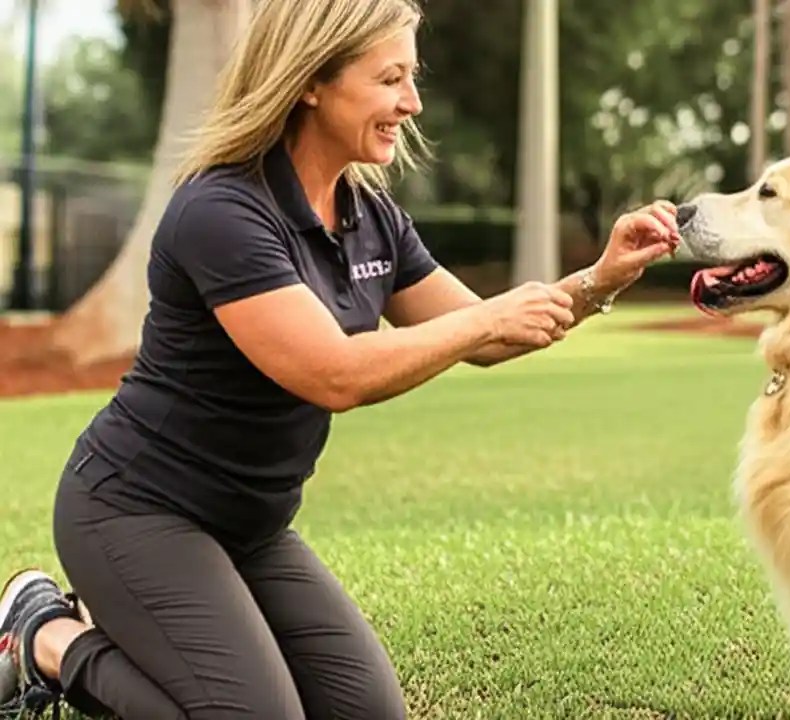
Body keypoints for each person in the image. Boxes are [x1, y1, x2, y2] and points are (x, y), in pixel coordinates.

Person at [0, 0, 680, 718]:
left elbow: (490, 337)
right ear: (311, 81)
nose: (411, 103)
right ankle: (47, 637)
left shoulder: (371, 216)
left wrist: (601, 278)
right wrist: (485, 314)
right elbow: (335, 374)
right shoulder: (222, 213)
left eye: (410, 78)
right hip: (133, 511)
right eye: (391, 79)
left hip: (252, 525)